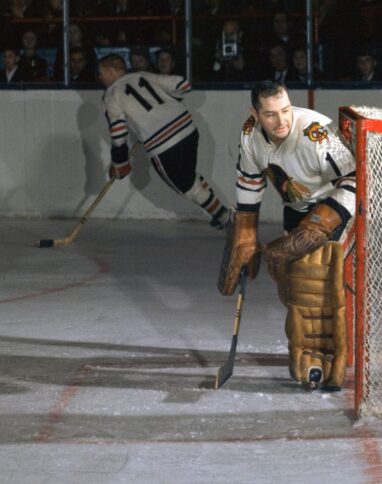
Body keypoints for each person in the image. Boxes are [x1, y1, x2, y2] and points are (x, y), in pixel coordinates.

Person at [218, 80, 355, 390]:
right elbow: (251, 179)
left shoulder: (314, 133)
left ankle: (322, 355)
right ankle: (313, 345)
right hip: (295, 207)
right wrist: (246, 233)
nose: (281, 122)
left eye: (285, 110)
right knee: (290, 285)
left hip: (332, 202)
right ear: (255, 113)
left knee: (313, 280)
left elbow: (357, 177)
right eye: (270, 115)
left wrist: (324, 221)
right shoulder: (250, 132)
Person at [98, 54, 230, 229]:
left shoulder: (111, 94)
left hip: (165, 145)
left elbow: (117, 132)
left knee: (187, 187)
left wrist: (119, 162)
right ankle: (216, 206)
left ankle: (226, 218)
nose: (99, 78)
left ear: (112, 71)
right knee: (189, 176)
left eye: (101, 73)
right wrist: (165, 106)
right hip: (188, 129)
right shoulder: (142, 75)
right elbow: (182, 85)